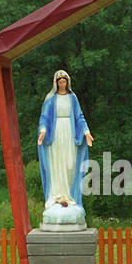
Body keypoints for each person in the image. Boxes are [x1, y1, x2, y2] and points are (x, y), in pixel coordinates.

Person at [36, 69, 93, 224]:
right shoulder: (51, 99)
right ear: (56, 83)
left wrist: (86, 132)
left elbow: (79, 116)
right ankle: (57, 196)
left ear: (67, 82)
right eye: (60, 82)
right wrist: (43, 131)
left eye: (64, 81)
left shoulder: (72, 97)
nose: (62, 84)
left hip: (69, 132)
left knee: (70, 164)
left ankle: (69, 195)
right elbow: (45, 117)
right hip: (55, 135)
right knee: (56, 164)